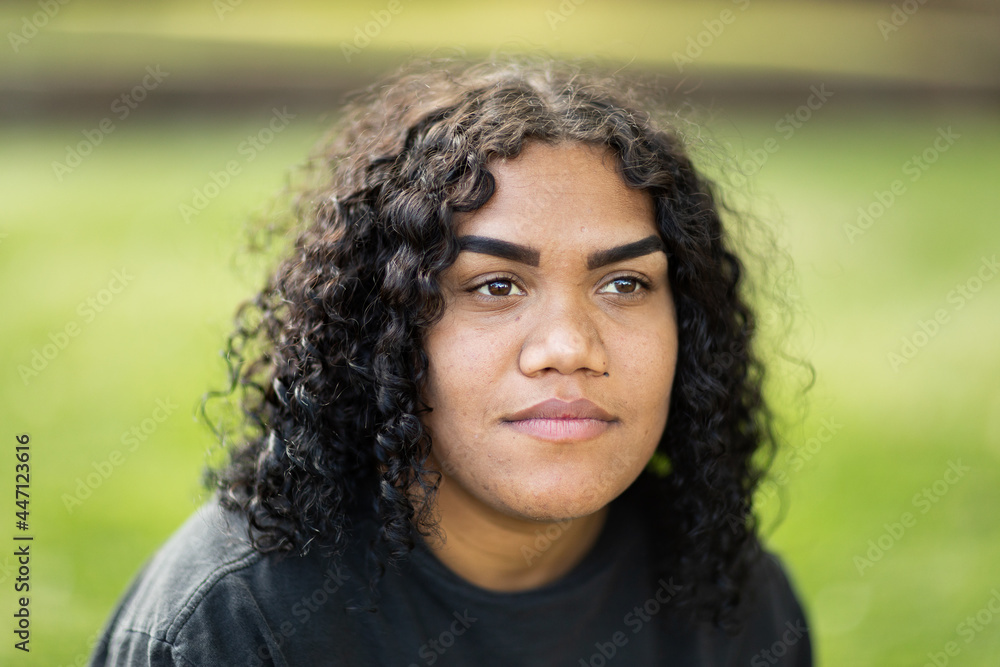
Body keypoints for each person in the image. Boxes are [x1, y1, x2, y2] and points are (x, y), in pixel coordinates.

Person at [90, 55, 812, 666]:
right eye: (495, 285)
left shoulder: (732, 601)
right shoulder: (234, 623)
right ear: (385, 331)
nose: (569, 346)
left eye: (624, 283)